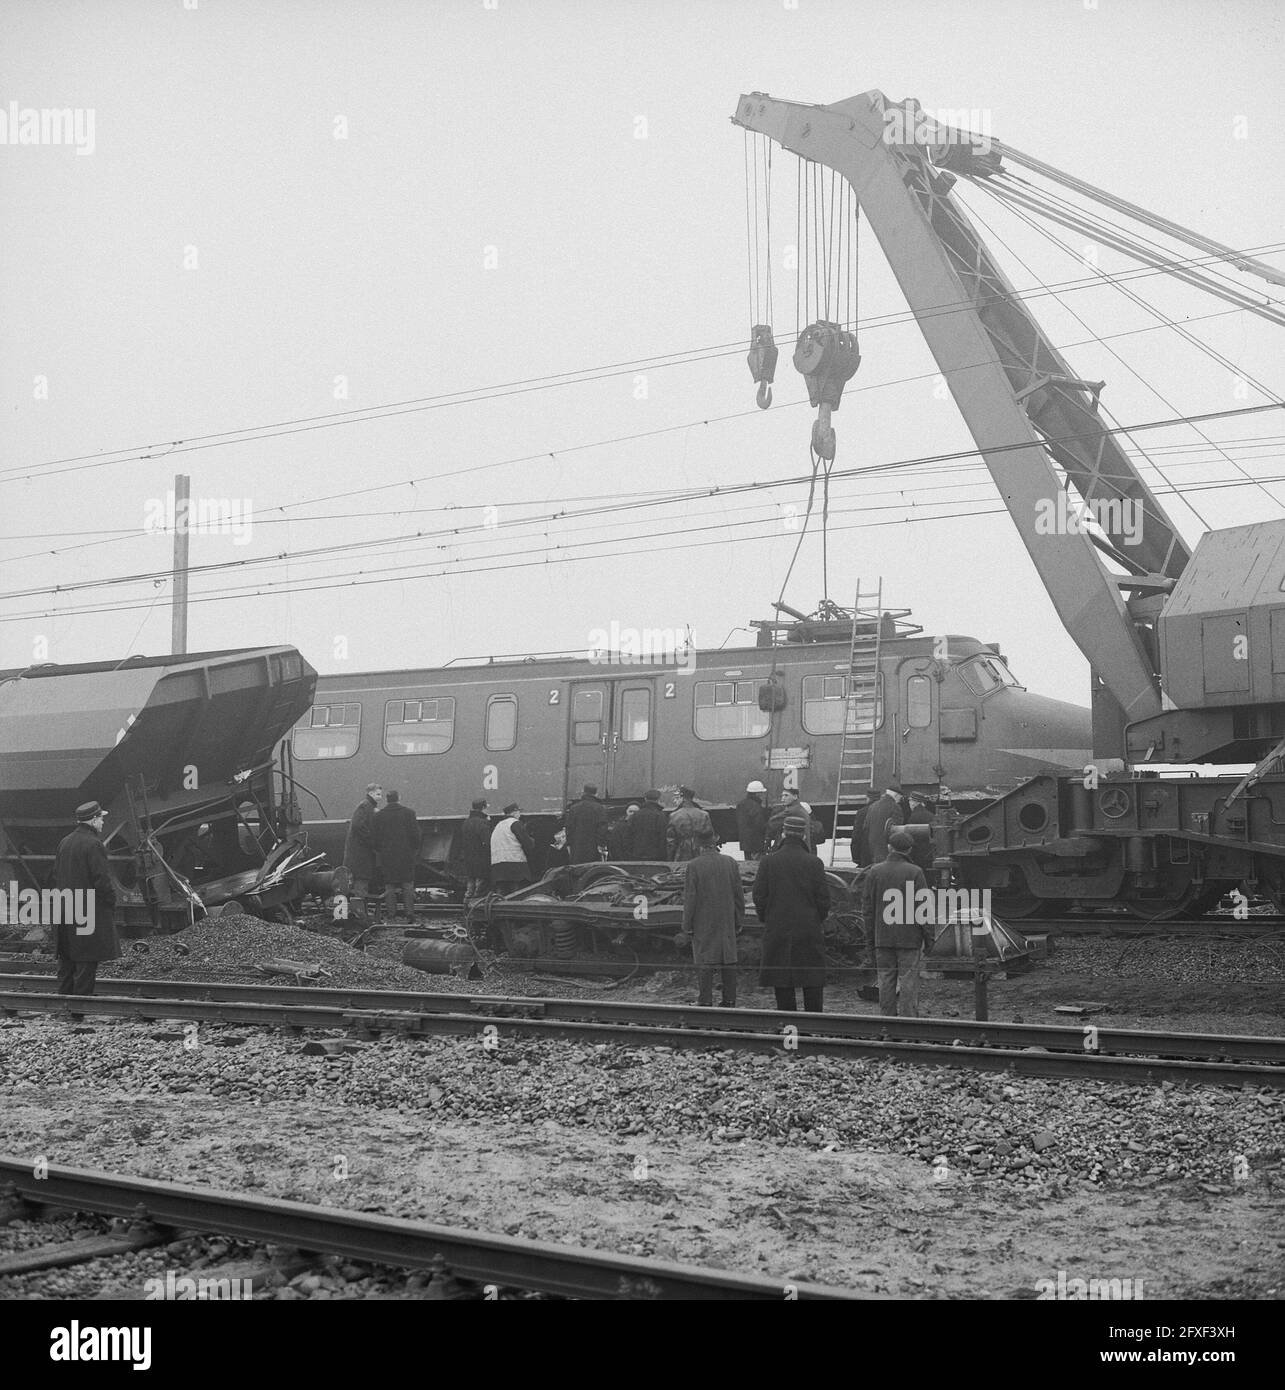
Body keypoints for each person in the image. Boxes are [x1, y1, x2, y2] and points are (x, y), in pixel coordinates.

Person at [753, 812, 831, 1013]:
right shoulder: (814, 863)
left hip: (778, 928)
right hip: (808, 928)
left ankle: (789, 1026)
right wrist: (815, 919)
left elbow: (759, 897)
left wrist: (768, 918)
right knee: (812, 979)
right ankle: (813, 1026)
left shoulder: (768, 862)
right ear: (804, 835)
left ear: (784, 833)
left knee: (782, 980)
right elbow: (824, 900)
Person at [52, 801, 120, 995]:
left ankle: (64, 1003)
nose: (103, 823)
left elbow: (56, 874)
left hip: (65, 907)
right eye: (101, 819)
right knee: (87, 958)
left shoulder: (64, 842)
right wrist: (110, 902)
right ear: (93, 820)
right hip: (88, 909)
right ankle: (80, 1007)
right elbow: (102, 879)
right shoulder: (94, 844)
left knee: (66, 958)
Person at [864, 831, 934, 1017]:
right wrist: (929, 939)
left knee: (885, 980)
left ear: (889, 847)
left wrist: (870, 940)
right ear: (909, 849)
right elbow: (923, 909)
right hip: (909, 939)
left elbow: (868, 910)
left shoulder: (874, 872)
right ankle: (908, 1024)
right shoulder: (915, 872)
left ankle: (887, 1022)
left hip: (883, 937)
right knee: (908, 980)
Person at [682, 827, 744, 1007]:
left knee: (705, 960)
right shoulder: (730, 862)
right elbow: (739, 895)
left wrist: (687, 925)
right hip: (726, 919)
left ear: (698, 844)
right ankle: (729, 1000)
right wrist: (739, 920)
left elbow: (690, 898)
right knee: (728, 959)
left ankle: (705, 1001)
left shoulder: (694, 865)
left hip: (703, 920)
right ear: (715, 842)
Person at [375, 789, 420, 923]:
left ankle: (391, 915)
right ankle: (410, 914)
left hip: (387, 855)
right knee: (407, 884)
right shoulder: (409, 813)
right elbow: (415, 836)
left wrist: (382, 851)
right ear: (399, 798)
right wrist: (413, 850)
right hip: (406, 855)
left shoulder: (379, 815)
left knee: (389, 886)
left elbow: (376, 838)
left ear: (387, 800)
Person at [343, 782, 383, 919]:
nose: (380, 797)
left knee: (357, 882)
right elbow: (358, 826)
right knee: (361, 881)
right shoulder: (366, 806)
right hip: (361, 854)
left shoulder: (367, 806)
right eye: (378, 794)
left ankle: (353, 913)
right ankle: (358, 915)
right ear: (371, 793)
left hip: (359, 853)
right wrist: (372, 842)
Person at [490, 802, 535, 891]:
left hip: (497, 866)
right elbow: (527, 843)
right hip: (515, 865)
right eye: (519, 812)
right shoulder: (515, 823)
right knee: (517, 893)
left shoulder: (498, 825)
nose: (520, 814)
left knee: (502, 894)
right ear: (514, 812)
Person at [563, 783, 608, 865]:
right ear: (596, 793)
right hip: (593, 848)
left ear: (583, 792)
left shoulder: (573, 808)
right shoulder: (599, 808)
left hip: (576, 848)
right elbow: (602, 828)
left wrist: (569, 844)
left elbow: (569, 828)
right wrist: (601, 844)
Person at [863, 785, 906, 867]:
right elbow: (897, 831)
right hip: (889, 854)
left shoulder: (872, 806)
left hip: (874, 852)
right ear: (896, 796)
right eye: (900, 798)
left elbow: (866, 828)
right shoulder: (895, 807)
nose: (899, 801)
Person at [667, 787, 713, 862]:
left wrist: (670, 857)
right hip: (700, 849)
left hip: (682, 851)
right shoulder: (704, 814)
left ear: (682, 798)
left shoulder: (674, 815)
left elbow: (671, 841)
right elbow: (709, 837)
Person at [460, 798, 492, 900]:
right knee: (480, 889)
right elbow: (487, 841)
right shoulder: (483, 823)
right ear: (483, 808)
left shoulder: (466, 822)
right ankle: (476, 910)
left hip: (469, 858)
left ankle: (466, 909)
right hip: (481, 860)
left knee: (470, 888)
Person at [629, 790, 668, 861]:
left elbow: (629, 835)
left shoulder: (635, 816)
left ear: (645, 799)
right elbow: (663, 838)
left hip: (636, 855)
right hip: (655, 856)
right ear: (658, 799)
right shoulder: (660, 815)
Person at [735, 780, 769, 861]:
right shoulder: (756, 807)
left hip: (745, 843)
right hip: (756, 844)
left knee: (748, 865)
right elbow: (760, 825)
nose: (762, 795)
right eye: (761, 793)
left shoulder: (741, 804)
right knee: (757, 866)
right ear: (757, 793)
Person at [905, 792, 936, 874]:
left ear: (915, 803)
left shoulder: (913, 817)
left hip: (917, 853)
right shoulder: (931, 815)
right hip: (930, 852)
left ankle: (910, 887)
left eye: (910, 801)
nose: (909, 804)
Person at [848, 796, 872, 867]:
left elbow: (856, 836)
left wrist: (856, 858)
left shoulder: (861, 812)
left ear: (868, 798)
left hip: (865, 855)